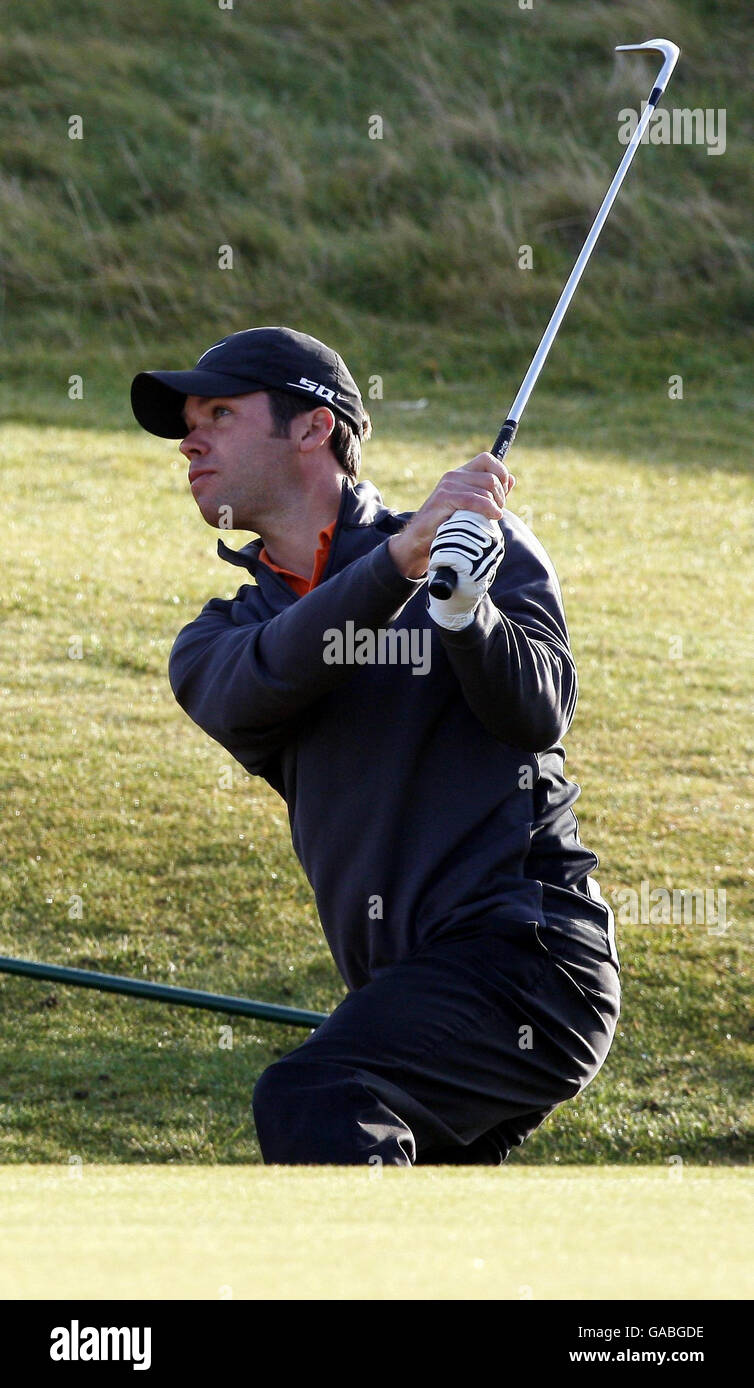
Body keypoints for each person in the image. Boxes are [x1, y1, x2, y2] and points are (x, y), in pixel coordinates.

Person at [131, 325, 621, 1165]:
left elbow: (539, 711)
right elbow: (264, 682)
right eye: (188, 420)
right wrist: (399, 563)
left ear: (313, 428)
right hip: (404, 992)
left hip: (528, 963)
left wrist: (467, 615)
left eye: (219, 412)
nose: (190, 439)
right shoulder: (222, 636)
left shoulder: (482, 548)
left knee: (312, 1095)